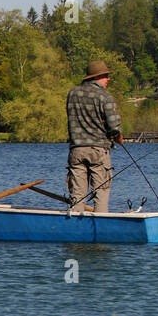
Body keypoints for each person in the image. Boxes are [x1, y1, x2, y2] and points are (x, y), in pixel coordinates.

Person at [65, 60, 122, 213]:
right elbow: (114, 127)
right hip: (99, 151)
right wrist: (118, 137)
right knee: (101, 191)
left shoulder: (72, 93)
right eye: (106, 76)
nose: (108, 79)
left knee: (77, 195)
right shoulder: (105, 96)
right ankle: (101, 227)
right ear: (97, 77)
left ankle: (76, 227)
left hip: (76, 151)